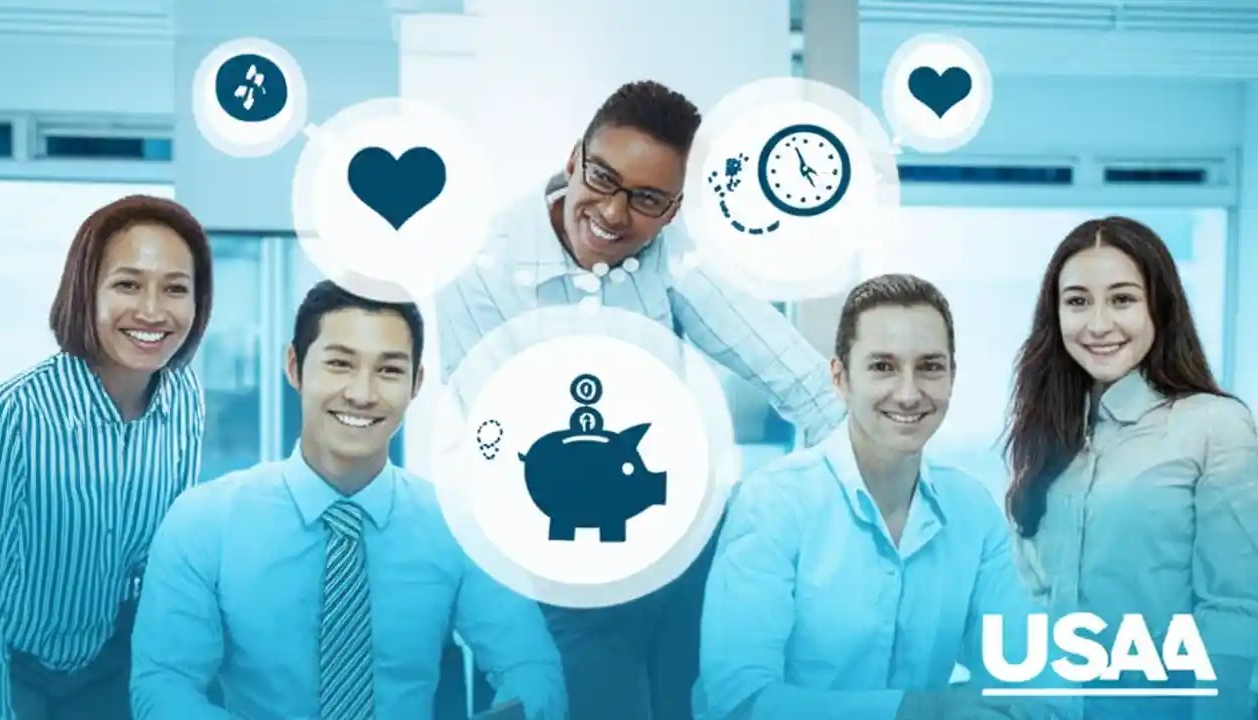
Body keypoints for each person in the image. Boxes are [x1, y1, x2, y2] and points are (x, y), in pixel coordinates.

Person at [437, 79, 843, 720]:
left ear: (674, 210)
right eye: (602, 178)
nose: (616, 214)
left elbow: (791, 368)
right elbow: (488, 443)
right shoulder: (482, 269)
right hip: (562, 576)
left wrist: (869, 483)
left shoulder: (669, 253)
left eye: (647, 199)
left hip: (680, 557)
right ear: (573, 160)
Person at [130, 280, 568, 719]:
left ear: (416, 383)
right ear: (294, 366)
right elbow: (163, 688)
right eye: (340, 364)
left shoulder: (459, 526)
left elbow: (533, 673)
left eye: (390, 370)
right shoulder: (204, 521)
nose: (362, 393)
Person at [696, 274, 1073, 720]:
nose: (910, 393)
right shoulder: (776, 502)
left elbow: (1042, 685)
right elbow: (738, 702)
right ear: (839, 377)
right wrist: (918, 709)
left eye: (930, 366)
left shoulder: (970, 510)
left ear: (953, 375)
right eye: (883, 366)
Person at [1004, 216, 1258, 720]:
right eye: (1077, 301)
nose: (1098, 324)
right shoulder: (1046, 435)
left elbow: (1235, 609)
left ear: (1158, 308)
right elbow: (1034, 599)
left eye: (1122, 299)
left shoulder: (1215, 425)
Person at [0, 195, 212, 720]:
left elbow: (160, 557)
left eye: (175, 288)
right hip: (13, 668)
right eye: (128, 284)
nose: (152, 311)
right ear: (87, 292)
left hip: (113, 661)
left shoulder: (185, 400)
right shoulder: (12, 416)